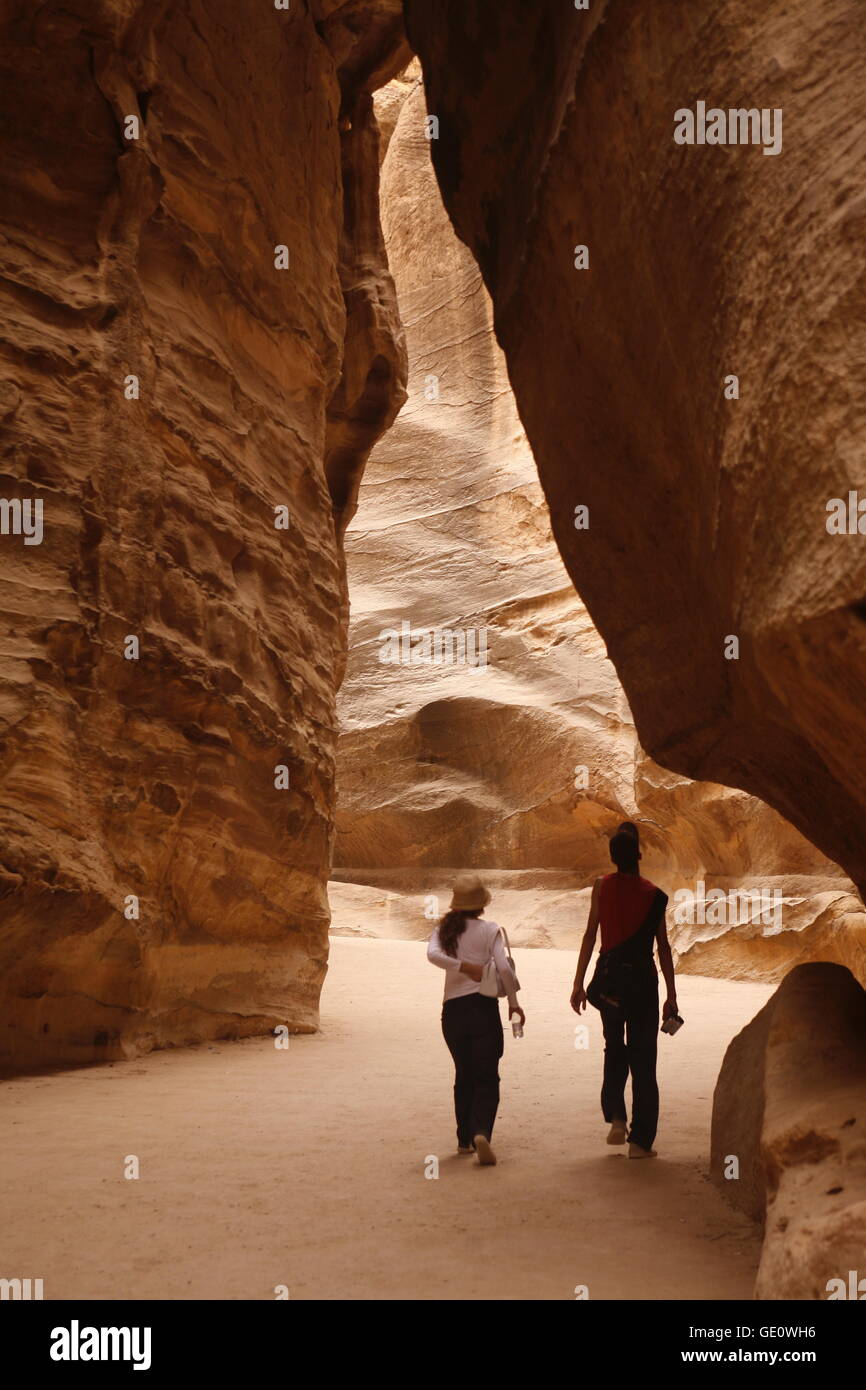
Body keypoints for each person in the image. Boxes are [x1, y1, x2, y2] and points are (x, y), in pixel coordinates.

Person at [570, 825, 678, 1158]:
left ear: (613, 857)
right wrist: (671, 995)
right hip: (644, 985)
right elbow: (662, 947)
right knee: (644, 1059)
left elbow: (591, 934)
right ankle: (640, 1143)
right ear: (639, 856)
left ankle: (617, 1116)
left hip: (610, 985)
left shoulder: (601, 887)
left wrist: (578, 982)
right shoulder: (655, 895)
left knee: (614, 1046)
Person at [427, 874, 525, 1166]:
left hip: (453, 1012)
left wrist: (459, 965)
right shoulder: (490, 930)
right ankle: (481, 1131)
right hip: (483, 1008)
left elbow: (431, 954)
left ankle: (463, 1140)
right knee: (486, 1074)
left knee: (464, 1073)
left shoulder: (444, 929)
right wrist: (514, 1004)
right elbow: (504, 969)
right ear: (482, 904)